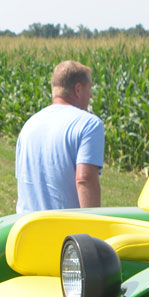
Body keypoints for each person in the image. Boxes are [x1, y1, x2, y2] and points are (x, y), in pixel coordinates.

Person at [14, 60, 104, 212]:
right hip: (64, 230)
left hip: (27, 227)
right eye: (89, 89)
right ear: (78, 89)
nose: (91, 95)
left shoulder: (29, 124)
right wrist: (93, 226)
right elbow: (85, 179)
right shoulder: (89, 124)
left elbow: (22, 180)